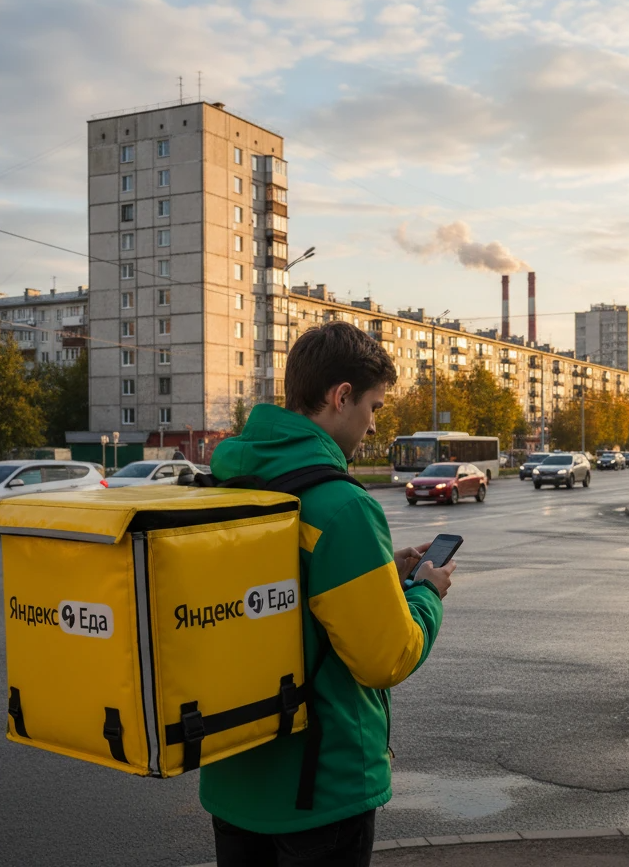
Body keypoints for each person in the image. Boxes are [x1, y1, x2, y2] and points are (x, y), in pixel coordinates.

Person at [201, 321, 455, 867]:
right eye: (374, 407)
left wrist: (381, 569)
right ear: (341, 397)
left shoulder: (230, 481)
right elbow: (386, 657)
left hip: (233, 771)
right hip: (319, 789)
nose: (372, 425)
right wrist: (426, 592)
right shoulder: (342, 507)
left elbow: (277, 594)